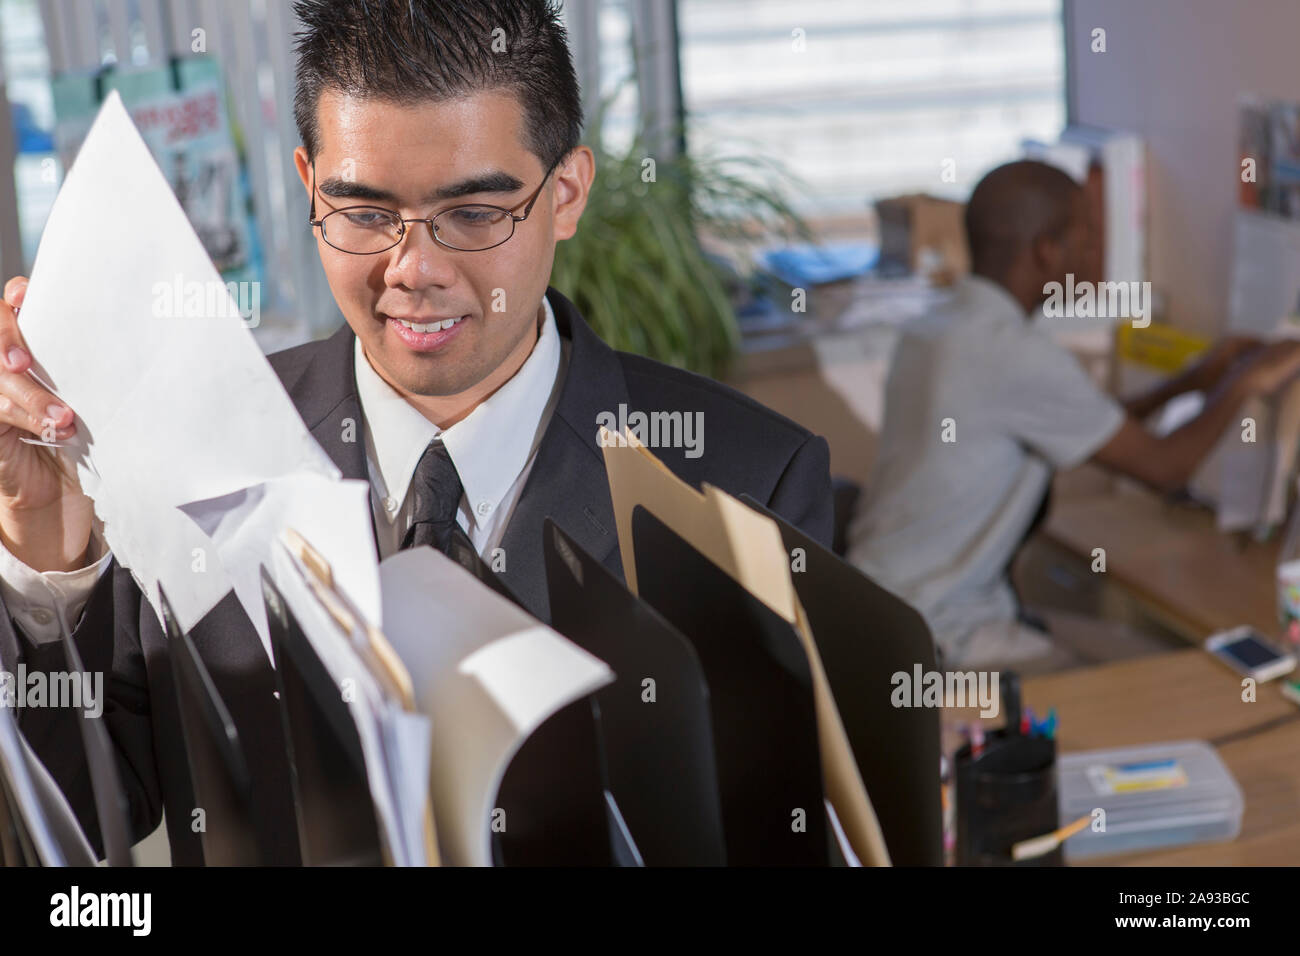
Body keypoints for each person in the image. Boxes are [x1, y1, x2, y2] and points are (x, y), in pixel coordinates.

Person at [0, 0, 832, 863]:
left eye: (474, 214)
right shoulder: (179, 444)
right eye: (363, 214)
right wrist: (45, 553)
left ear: (568, 193)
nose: (414, 271)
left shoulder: (747, 479)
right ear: (308, 185)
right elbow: (80, 824)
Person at [847, 159, 1300, 673]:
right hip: (940, 632)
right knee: (1165, 684)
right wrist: (1246, 384)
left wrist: (1200, 378)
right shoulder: (1014, 356)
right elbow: (1163, 469)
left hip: (878, 606)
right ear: (1047, 250)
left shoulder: (938, 326)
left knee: (1139, 652)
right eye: (1087, 238)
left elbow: (1090, 425)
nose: (1095, 252)